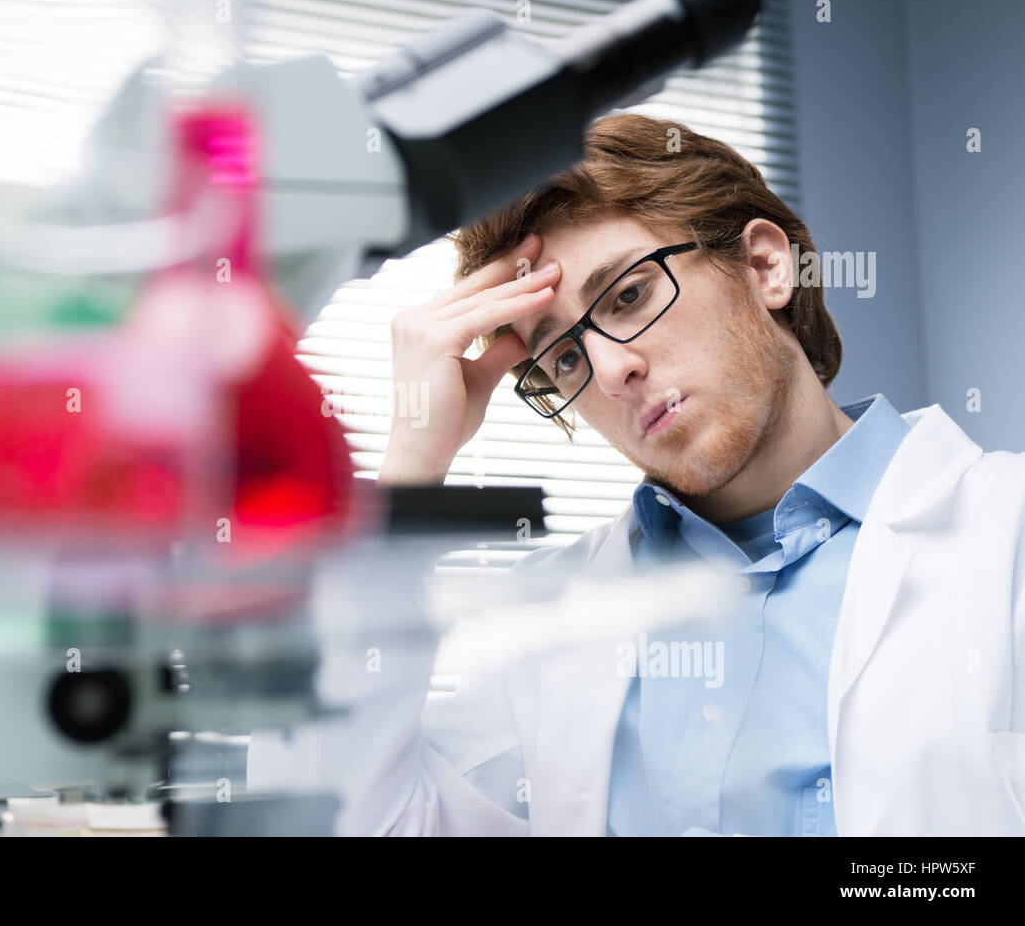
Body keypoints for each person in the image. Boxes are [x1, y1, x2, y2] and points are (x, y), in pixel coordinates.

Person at [247, 113, 1025, 835]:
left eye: (629, 294)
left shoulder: (1004, 531)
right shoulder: (549, 626)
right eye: (565, 355)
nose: (612, 368)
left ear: (763, 265)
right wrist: (412, 473)